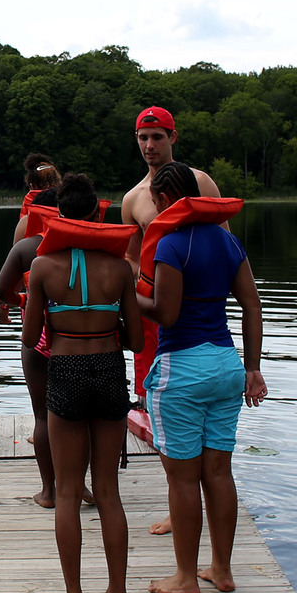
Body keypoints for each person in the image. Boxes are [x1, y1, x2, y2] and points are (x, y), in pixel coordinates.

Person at [133, 160, 266, 593]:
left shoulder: (170, 244)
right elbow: (252, 305)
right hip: (227, 365)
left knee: (184, 480)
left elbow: (165, 314)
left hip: (182, 370)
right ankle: (222, 571)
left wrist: (128, 294)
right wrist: (252, 368)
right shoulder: (228, 241)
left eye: (156, 202)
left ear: (164, 200)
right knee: (219, 473)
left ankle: (186, 578)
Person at [21, 173, 139, 593]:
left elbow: (31, 337)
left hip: (66, 371)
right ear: (95, 213)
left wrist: (61, 322)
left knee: (68, 492)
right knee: (108, 491)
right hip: (109, 370)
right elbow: (136, 340)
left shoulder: (43, 267)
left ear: (57, 215)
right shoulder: (120, 268)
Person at [120, 105, 222, 535]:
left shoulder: (201, 183)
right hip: (153, 315)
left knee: (204, 415)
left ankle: (206, 499)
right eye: (143, 138)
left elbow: (224, 241)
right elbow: (130, 258)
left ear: (173, 137)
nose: (150, 146)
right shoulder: (133, 199)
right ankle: (177, 502)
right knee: (160, 414)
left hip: (199, 313)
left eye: (157, 137)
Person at [0, 185, 62, 506]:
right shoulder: (82, 247)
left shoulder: (26, 247)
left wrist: (22, 299)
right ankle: (79, 485)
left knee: (43, 416)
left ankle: (49, 491)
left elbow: (1, 291)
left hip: (38, 339)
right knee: (76, 416)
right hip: (73, 338)